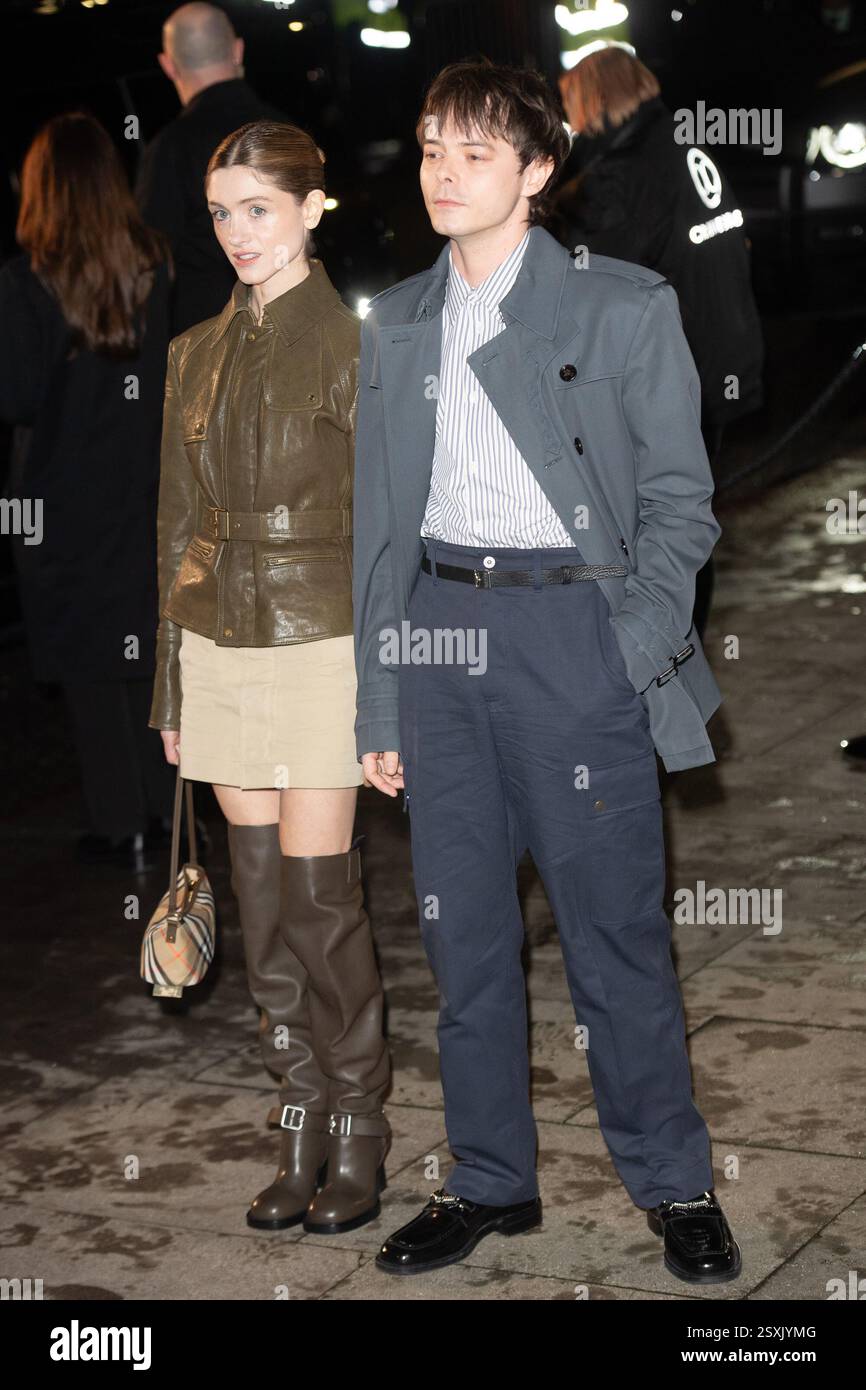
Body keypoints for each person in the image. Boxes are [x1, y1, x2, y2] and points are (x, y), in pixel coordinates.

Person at [352, 58, 741, 1283]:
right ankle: (485, 1181)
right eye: (428, 149)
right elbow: (372, 532)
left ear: (535, 172)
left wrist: (626, 647)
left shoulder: (621, 308)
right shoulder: (396, 320)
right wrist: (381, 698)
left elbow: (682, 505)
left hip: (572, 638)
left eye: (473, 153)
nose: (443, 174)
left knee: (613, 938)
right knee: (460, 941)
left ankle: (673, 1184)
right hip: (438, 638)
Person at [147, 118, 391, 1234]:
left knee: (319, 898)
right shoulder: (191, 352)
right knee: (255, 902)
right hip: (216, 647)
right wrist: (168, 693)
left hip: (320, 642)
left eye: (258, 207)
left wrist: (390, 688)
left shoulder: (354, 343)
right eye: (221, 214)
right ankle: (296, 1108)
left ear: (310, 205)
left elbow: (389, 533)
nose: (239, 232)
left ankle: (358, 1123)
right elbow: (172, 530)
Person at [0, 111, 176, 871]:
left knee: (85, 666)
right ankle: (168, 820)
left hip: (58, 501)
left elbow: (17, 398)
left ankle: (119, 824)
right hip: (141, 488)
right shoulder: (154, 263)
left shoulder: (25, 277)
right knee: (143, 653)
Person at [551, 44, 764, 640]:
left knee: (660, 530)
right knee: (687, 514)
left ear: (594, 98)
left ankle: (668, 657)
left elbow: (598, 282)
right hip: (723, 353)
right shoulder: (687, 142)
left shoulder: (626, 169)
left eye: (572, 105)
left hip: (675, 376)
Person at [135, 1, 287, 335]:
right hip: (294, 331)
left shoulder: (169, 150)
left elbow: (148, 264)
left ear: (168, 65)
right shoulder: (287, 131)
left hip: (208, 347)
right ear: (238, 50)